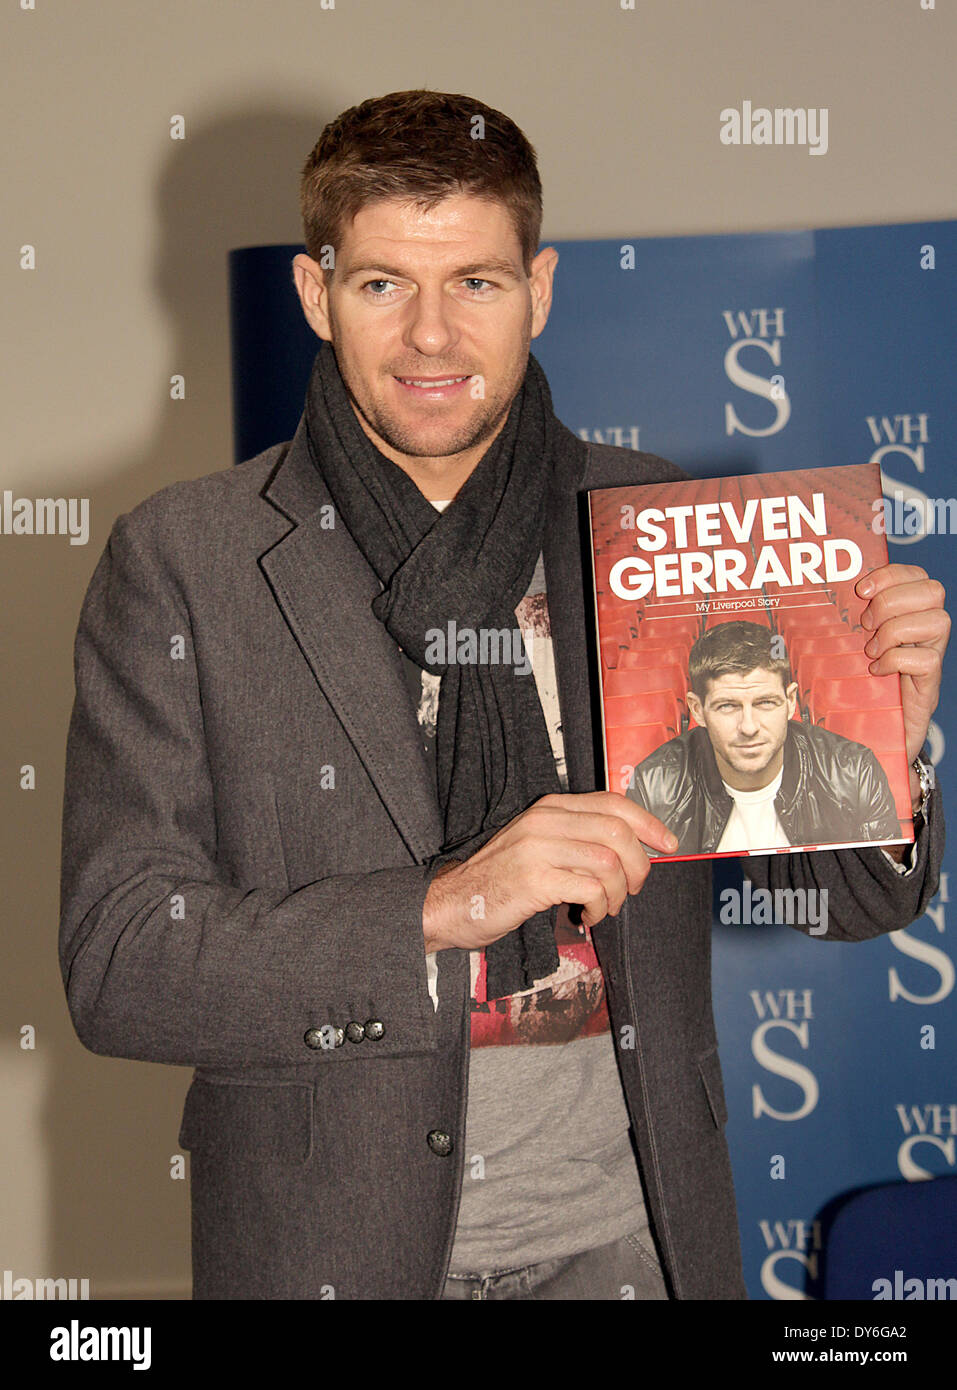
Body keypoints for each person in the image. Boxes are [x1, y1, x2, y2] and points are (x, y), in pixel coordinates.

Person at [58, 89, 950, 1302]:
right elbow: (121, 962)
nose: (432, 337)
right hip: (328, 1252)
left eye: (474, 283)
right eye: (384, 286)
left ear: (540, 288)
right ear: (317, 295)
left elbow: (836, 900)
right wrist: (450, 902)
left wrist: (886, 728)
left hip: (635, 1242)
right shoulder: (184, 560)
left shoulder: (655, 523)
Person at [627, 621, 903, 855]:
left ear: (791, 700)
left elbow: (885, 891)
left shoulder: (852, 772)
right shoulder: (655, 785)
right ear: (697, 710)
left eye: (765, 703)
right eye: (728, 706)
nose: (748, 727)